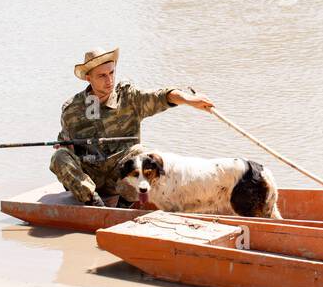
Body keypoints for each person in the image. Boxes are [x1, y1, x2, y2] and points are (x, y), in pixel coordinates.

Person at [49, 46, 214, 207]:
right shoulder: (72, 109)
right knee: (59, 156)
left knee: (142, 154)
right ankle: (94, 203)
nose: (109, 80)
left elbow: (161, 96)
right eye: (102, 76)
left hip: (122, 176)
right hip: (90, 177)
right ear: (88, 78)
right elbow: (65, 145)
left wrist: (188, 99)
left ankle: (124, 205)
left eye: (111, 73)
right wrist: (65, 146)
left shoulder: (128, 97)